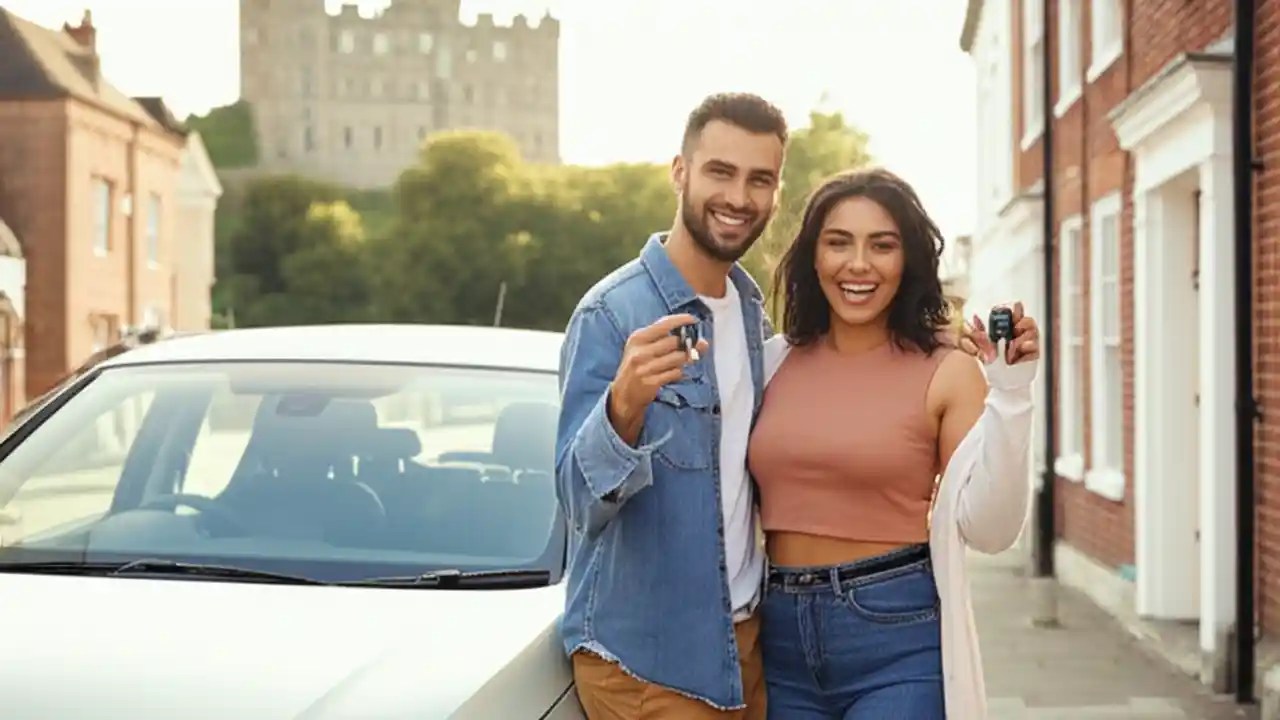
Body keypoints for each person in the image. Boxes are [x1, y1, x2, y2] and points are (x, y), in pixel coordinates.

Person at [746, 167, 1040, 719]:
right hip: (778, 636)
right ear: (814, 257)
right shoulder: (771, 361)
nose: (858, 264)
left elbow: (992, 530)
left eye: (882, 245)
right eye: (839, 243)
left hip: (895, 636)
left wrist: (1012, 393)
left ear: (908, 261)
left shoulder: (947, 369)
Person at [553, 91, 787, 718]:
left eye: (759, 179)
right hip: (649, 663)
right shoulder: (612, 314)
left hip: (743, 646)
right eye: (720, 172)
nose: (738, 197)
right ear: (680, 172)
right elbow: (577, 504)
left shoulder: (751, 314)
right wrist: (623, 407)